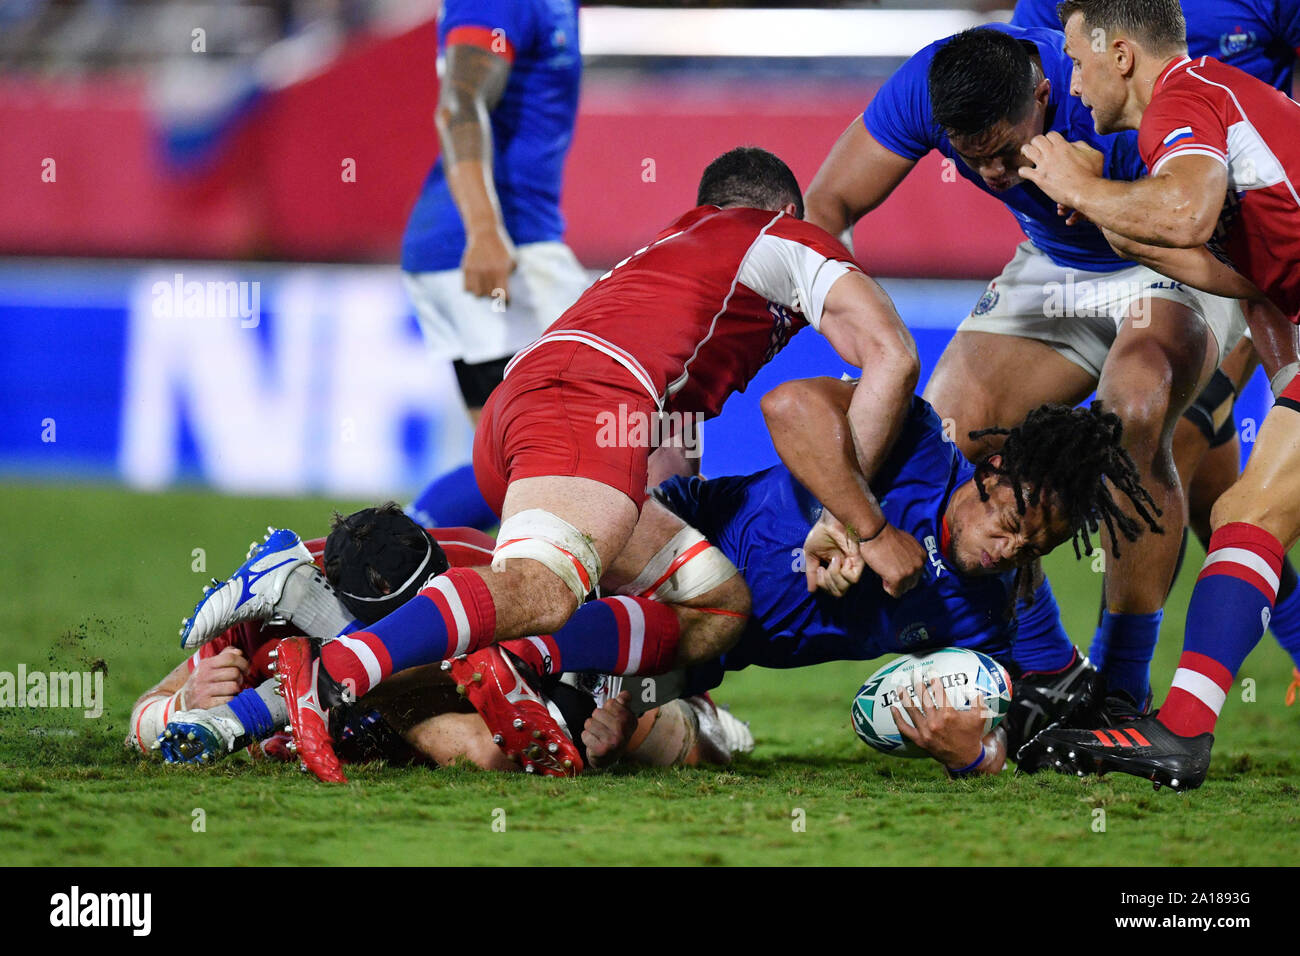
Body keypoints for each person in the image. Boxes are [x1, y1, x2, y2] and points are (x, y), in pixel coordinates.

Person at [184, 146, 926, 782]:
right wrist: (856, 525)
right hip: (586, 401)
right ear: (787, 211)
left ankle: (509, 664)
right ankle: (332, 661)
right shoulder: (786, 238)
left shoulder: (675, 254)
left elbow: (670, 436)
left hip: (535, 404)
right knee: (541, 588)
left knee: (715, 605)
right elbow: (893, 356)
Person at [804, 24, 1244, 718]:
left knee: (1133, 414)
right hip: (1055, 264)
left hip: (1173, 261)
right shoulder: (936, 83)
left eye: (1007, 154)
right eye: (971, 158)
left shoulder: (1128, 99)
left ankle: (1121, 690)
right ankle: (1048, 669)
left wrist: (1092, 192)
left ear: (1046, 95)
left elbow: (1201, 222)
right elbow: (828, 206)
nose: (992, 175)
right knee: (942, 438)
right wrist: (866, 342)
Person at [1013, 0, 1300, 790]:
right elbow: (1249, 278)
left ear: (1121, 56)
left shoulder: (1184, 99)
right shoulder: (1208, 99)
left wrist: (1083, 184)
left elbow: (1186, 212)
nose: (1073, 84)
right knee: (1248, 517)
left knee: (1248, 516)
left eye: (1078, 62)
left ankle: (1179, 735)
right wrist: (1108, 212)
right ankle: (1180, 733)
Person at [401, 0, 590, 531]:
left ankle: (374, 561)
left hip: (498, 244)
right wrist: (484, 229)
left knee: (517, 469)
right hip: (499, 246)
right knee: (609, 445)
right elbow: (458, 103)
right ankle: (368, 561)